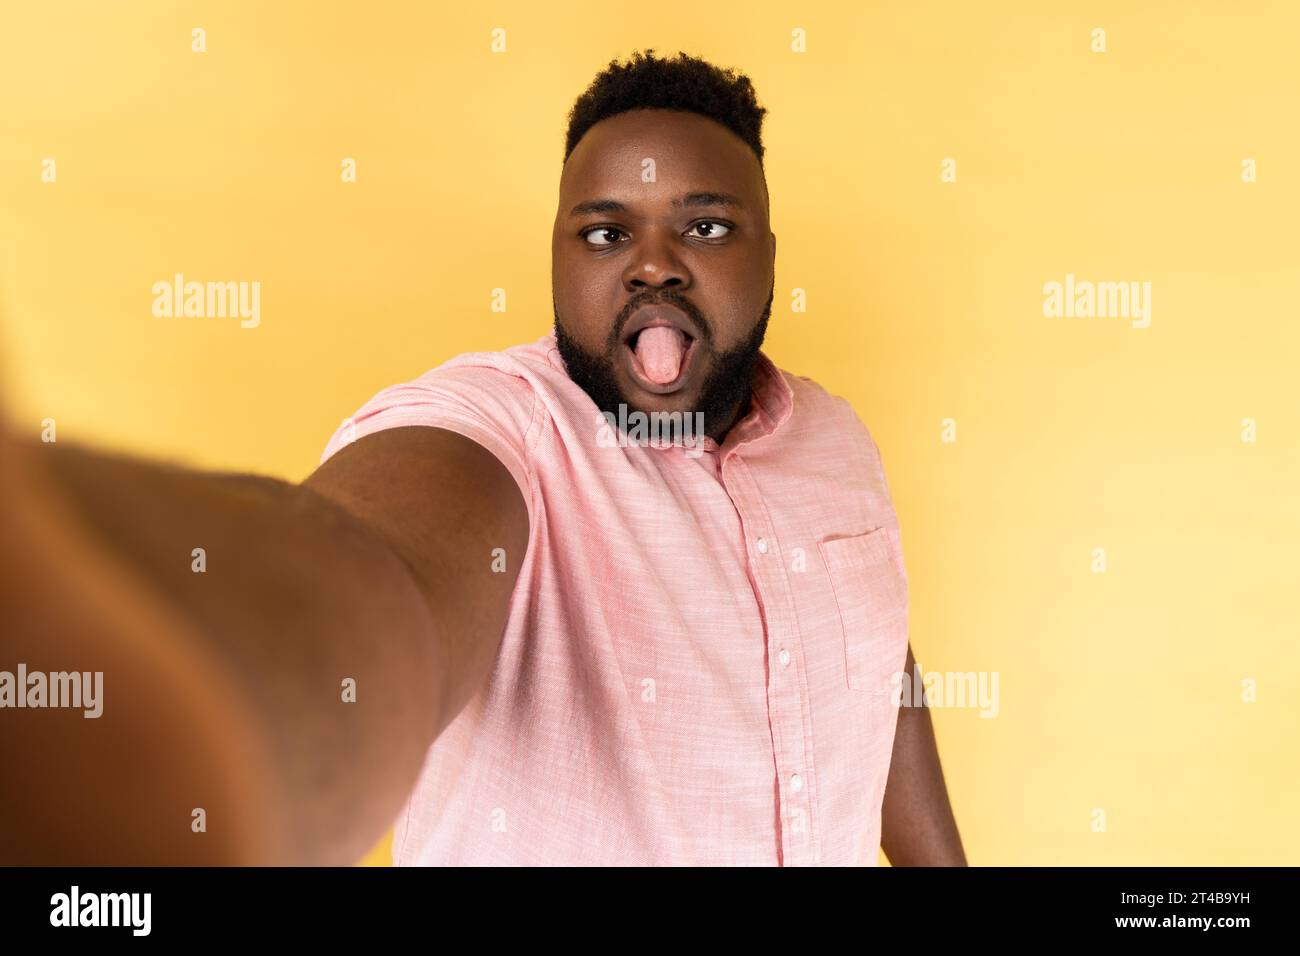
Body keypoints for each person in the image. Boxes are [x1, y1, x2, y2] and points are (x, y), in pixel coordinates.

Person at [0, 50, 965, 866]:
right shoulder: (495, 433)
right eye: (605, 232)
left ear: (768, 253)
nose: (654, 263)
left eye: (706, 226)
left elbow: (877, 654)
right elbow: (378, 577)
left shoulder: (836, 440)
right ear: (556, 256)